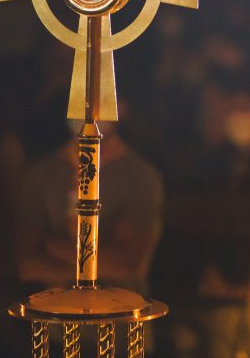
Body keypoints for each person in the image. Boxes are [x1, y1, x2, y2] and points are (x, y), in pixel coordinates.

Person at [15, 116, 163, 296]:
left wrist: (53, 246)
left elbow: (128, 266)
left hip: (120, 313)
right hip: (54, 311)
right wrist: (99, 264)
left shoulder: (140, 177)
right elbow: (28, 266)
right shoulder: (41, 174)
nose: (88, 112)